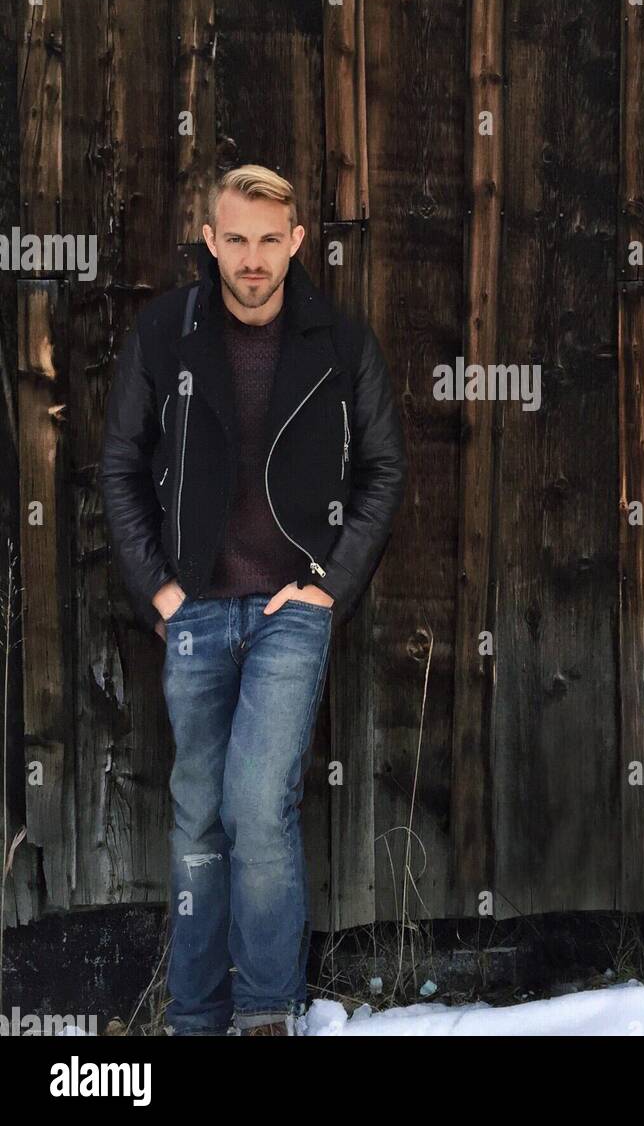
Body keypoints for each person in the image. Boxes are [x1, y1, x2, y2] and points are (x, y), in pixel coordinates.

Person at [99, 165, 407, 1036]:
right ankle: (197, 1018)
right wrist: (160, 590)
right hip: (193, 610)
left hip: (289, 611)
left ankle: (267, 1014)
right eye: (235, 238)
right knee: (198, 814)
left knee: (254, 806)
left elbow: (382, 471)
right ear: (210, 239)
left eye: (270, 240)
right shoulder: (167, 333)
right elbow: (121, 466)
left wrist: (326, 588)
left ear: (298, 241)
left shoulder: (339, 342)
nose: (253, 258)